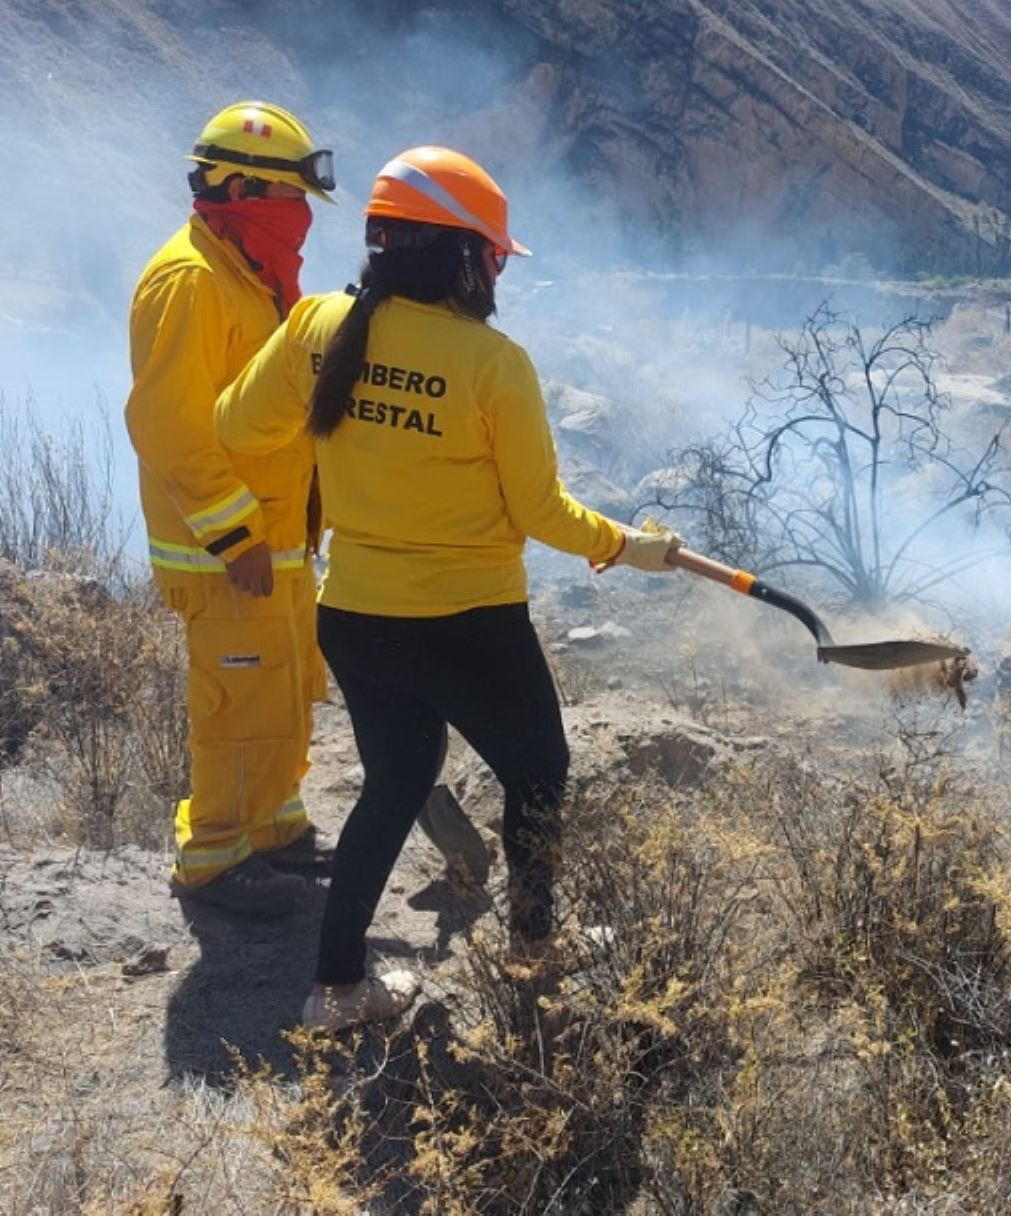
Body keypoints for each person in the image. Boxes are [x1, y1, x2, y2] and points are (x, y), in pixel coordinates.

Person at [216, 146, 681, 1032]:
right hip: (468, 624)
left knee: (394, 779)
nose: (498, 270)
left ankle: (336, 988)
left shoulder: (320, 324)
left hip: (354, 615)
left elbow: (236, 424)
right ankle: (533, 946)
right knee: (539, 771)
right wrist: (635, 547)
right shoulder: (490, 364)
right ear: (461, 254)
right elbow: (541, 511)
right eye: (495, 255)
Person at [124, 102, 336, 917]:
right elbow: (168, 424)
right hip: (229, 548)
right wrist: (234, 532)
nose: (299, 220)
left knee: (279, 691)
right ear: (239, 188)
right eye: (287, 201)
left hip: (277, 539)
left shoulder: (245, 270)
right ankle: (214, 859)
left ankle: (272, 831)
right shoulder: (192, 280)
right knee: (236, 699)